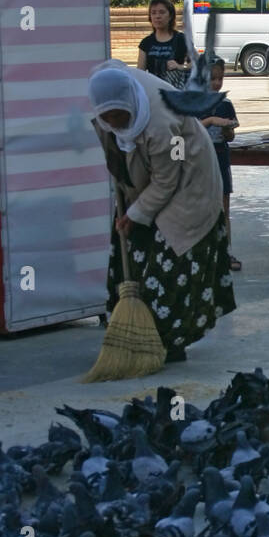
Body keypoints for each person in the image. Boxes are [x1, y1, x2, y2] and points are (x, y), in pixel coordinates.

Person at [88, 62, 235, 363]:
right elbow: (119, 149)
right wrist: (131, 208)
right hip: (153, 178)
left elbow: (167, 181)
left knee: (170, 260)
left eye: (120, 117)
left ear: (131, 104)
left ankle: (167, 340)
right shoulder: (110, 89)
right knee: (132, 246)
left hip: (190, 180)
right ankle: (132, 332)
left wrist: (137, 212)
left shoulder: (160, 123)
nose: (114, 123)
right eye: (108, 118)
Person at [202, 58, 241, 271]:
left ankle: (225, 251)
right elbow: (188, 130)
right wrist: (211, 121)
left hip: (221, 156)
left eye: (220, 78)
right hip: (200, 159)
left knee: (223, 208)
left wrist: (228, 129)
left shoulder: (225, 104)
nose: (217, 83)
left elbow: (230, 137)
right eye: (212, 78)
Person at [137, 0, 189, 80]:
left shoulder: (181, 39)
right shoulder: (146, 43)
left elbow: (197, 63)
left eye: (162, 12)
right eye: (153, 13)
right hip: (153, 90)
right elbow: (140, 73)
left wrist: (180, 67)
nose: (157, 16)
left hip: (175, 90)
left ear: (171, 15)